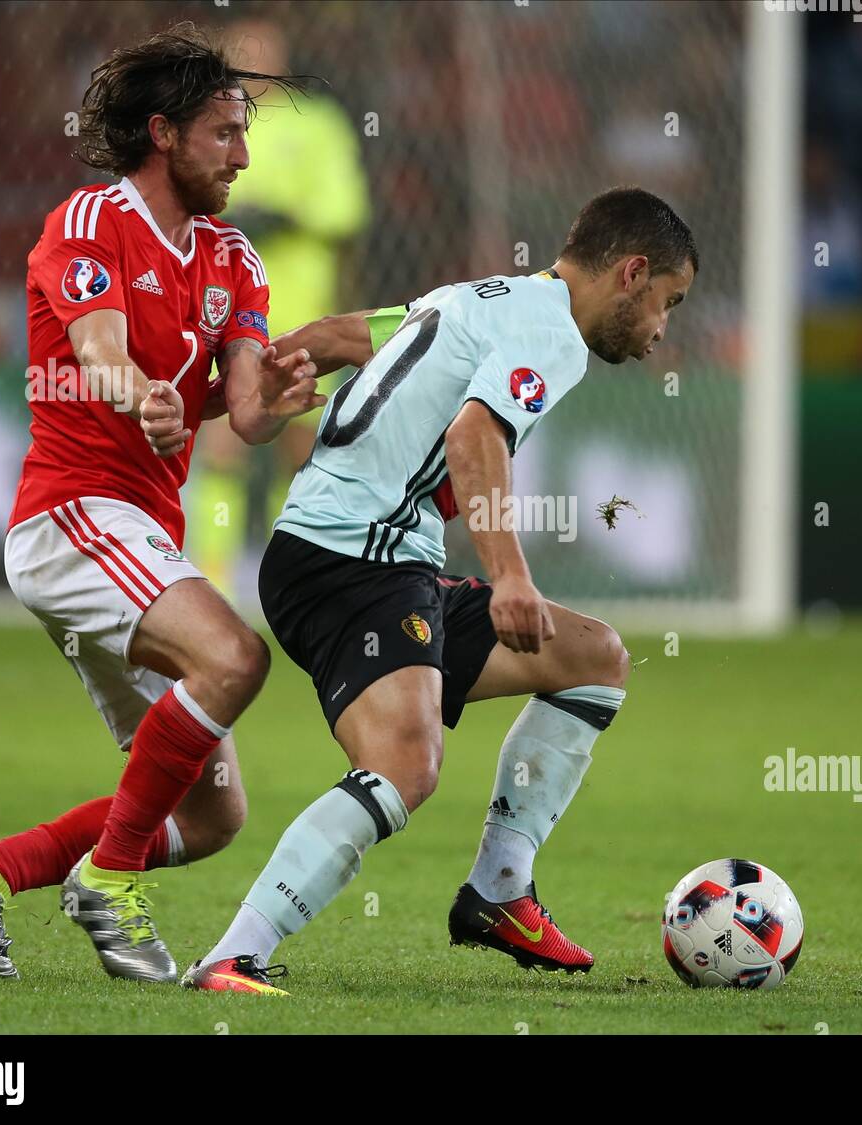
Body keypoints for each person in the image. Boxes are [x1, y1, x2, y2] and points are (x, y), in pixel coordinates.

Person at [184, 186, 697, 994]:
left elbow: (342, 335)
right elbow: (472, 436)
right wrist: (511, 577)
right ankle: (231, 954)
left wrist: (233, 395)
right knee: (407, 763)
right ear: (631, 273)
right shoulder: (552, 335)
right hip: (349, 558)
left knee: (593, 658)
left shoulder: (476, 297)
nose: (663, 327)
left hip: (378, 558)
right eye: (668, 302)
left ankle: (500, 891)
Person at [0, 24, 324, 984]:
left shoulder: (233, 259)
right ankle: (109, 879)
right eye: (225, 132)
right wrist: (143, 393)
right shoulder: (91, 222)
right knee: (235, 656)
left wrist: (280, 397)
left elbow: (248, 405)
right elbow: (97, 351)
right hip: (72, 517)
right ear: (163, 133)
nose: (244, 154)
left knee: (211, 811)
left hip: (140, 534)